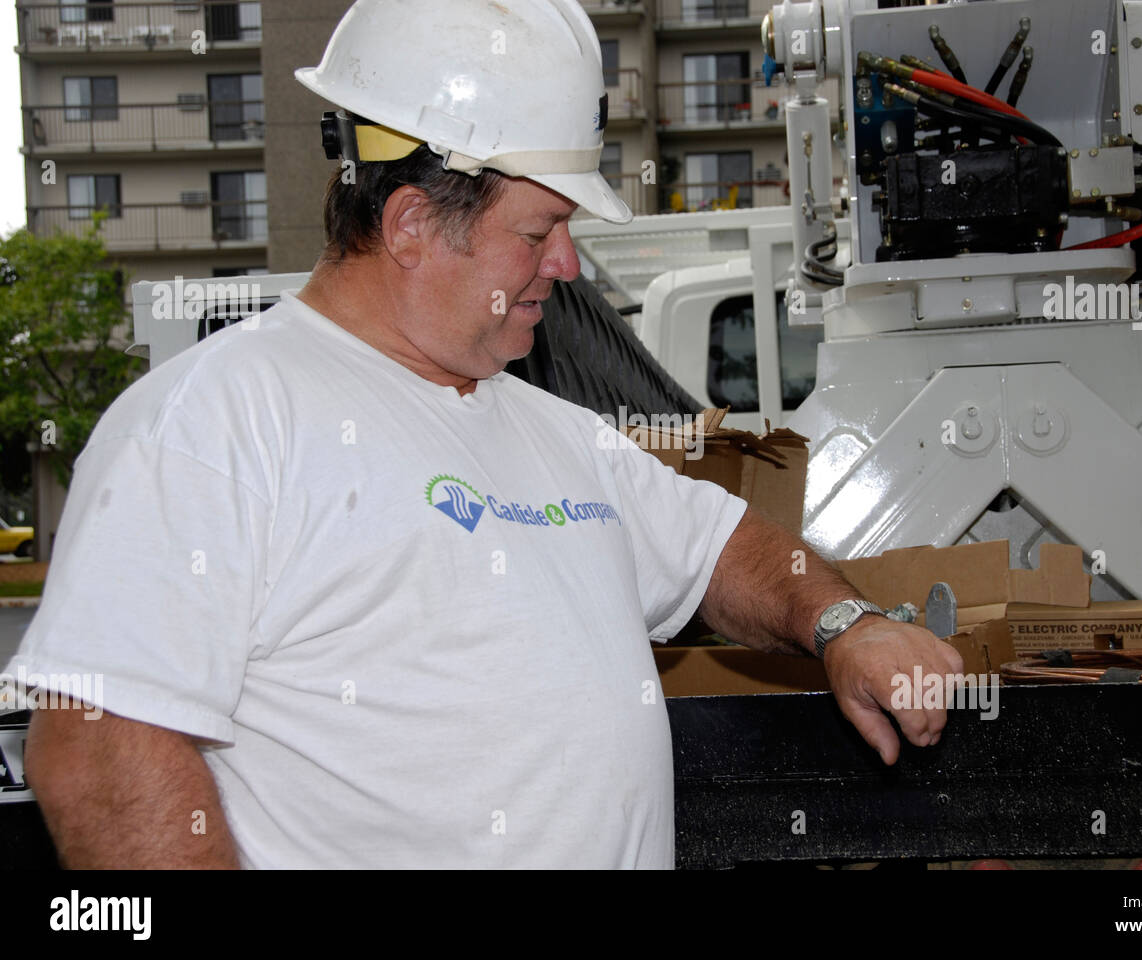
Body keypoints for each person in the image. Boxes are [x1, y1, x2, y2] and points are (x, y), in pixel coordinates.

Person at [8, 0, 961, 869]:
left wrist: (846, 625)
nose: (566, 261)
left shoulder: (548, 428)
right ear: (413, 222)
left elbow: (724, 550)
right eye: (538, 229)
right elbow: (94, 747)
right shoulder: (216, 424)